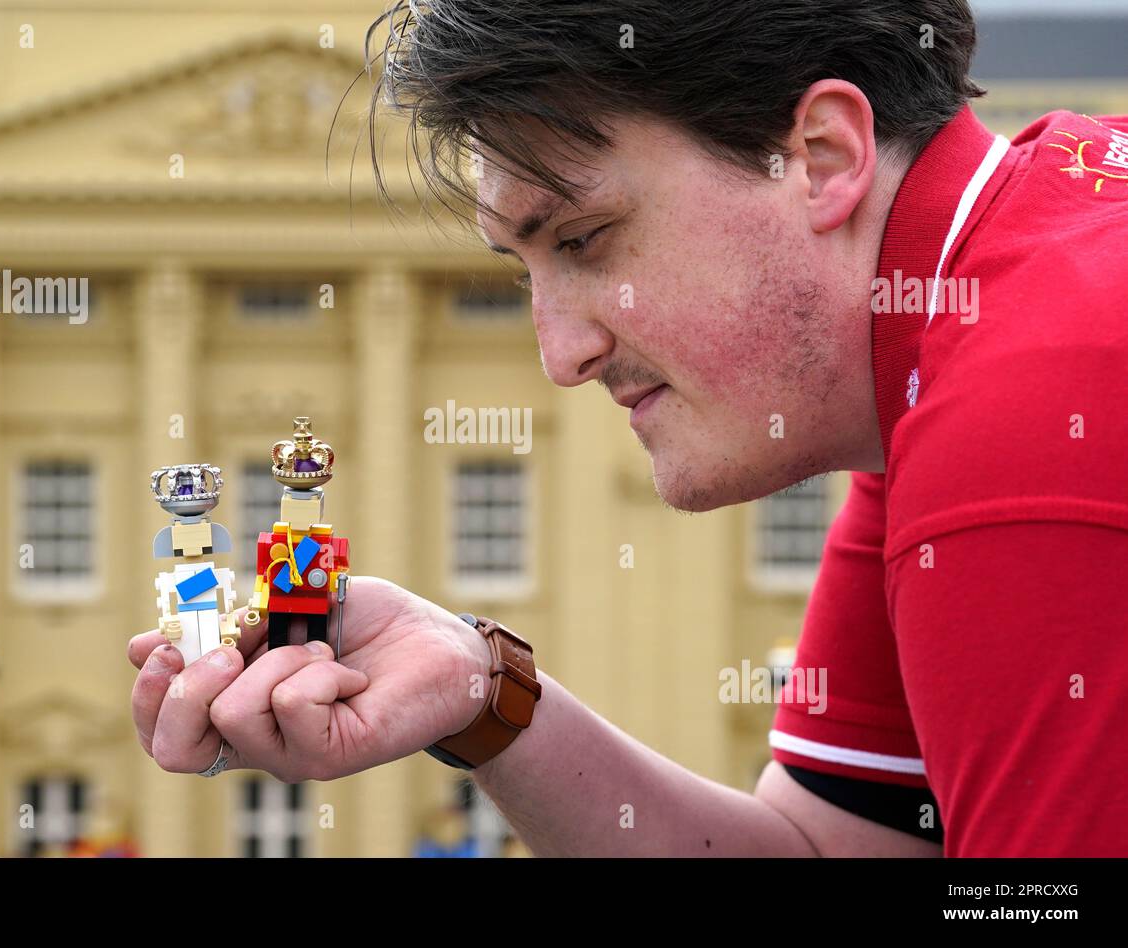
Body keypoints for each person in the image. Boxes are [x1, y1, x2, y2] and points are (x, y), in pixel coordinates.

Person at [129, 0, 1128, 856]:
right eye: (525, 273)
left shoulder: (1028, 428)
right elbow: (830, 846)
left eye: (583, 240)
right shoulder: (969, 318)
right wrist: (485, 696)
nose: (560, 355)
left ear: (821, 157)